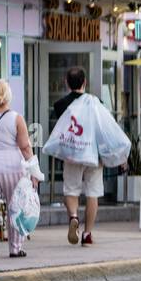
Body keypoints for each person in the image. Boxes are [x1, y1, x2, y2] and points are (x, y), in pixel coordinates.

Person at [52, 67, 104, 246]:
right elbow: (101, 130)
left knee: (71, 190)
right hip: (92, 154)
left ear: (67, 83)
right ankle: (87, 235)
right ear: (85, 82)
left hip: (72, 153)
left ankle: (73, 217)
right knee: (92, 193)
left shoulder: (60, 105)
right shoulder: (96, 103)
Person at [0, 81, 39, 258]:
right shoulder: (16, 118)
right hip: (12, 166)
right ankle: (15, 248)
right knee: (15, 206)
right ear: (8, 96)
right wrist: (34, 171)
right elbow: (25, 147)